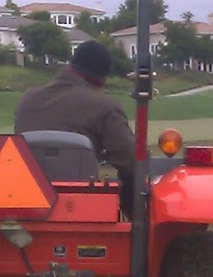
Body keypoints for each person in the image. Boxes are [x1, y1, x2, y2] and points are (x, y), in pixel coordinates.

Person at [14, 39, 135, 193]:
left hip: (27, 197)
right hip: (80, 201)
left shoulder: (28, 98)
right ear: (102, 79)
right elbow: (132, 162)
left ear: (70, 65)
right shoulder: (104, 106)